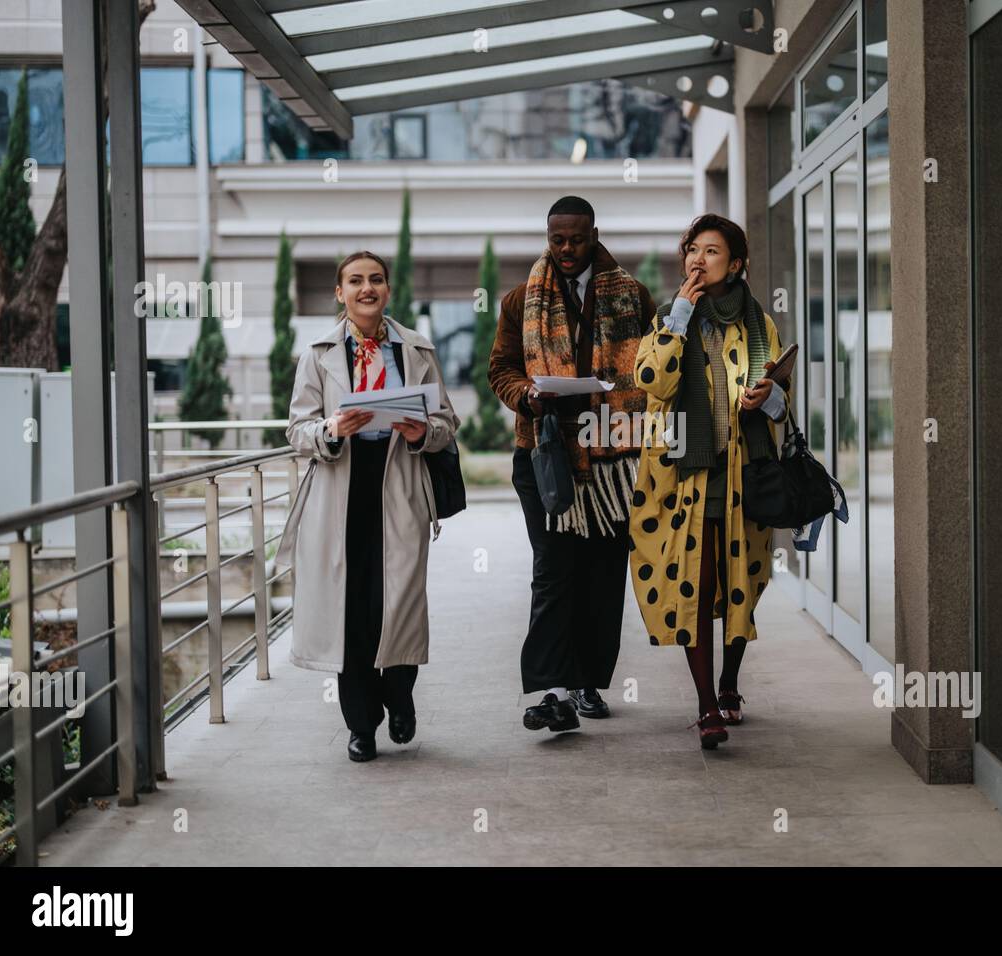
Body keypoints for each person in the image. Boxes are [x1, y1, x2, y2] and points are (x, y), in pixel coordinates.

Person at [281, 251, 459, 762]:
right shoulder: (318, 354)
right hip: (342, 496)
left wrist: (423, 431)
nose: (366, 289)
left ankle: (400, 699)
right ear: (340, 293)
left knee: (399, 604)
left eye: (375, 280)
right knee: (351, 613)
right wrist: (332, 431)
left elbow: (448, 422)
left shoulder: (417, 349)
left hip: (400, 488)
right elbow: (297, 430)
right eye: (355, 281)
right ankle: (361, 725)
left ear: (387, 290)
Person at [488, 196, 656, 733]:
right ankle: (550, 691)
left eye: (576, 239)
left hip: (614, 461)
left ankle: (586, 684)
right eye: (556, 239)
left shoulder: (632, 296)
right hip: (544, 456)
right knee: (553, 572)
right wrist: (525, 396)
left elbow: (653, 370)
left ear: (594, 234)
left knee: (602, 575)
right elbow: (501, 368)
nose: (565, 249)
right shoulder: (520, 300)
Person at [629, 214, 789, 749]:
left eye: (712, 251)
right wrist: (679, 314)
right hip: (683, 480)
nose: (698, 259)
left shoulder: (758, 324)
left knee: (740, 584)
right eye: (692, 249)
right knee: (693, 589)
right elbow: (652, 380)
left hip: (745, 478)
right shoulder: (670, 318)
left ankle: (729, 684)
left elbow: (781, 399)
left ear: (737, 263)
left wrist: (769, 398)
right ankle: (705, 706)